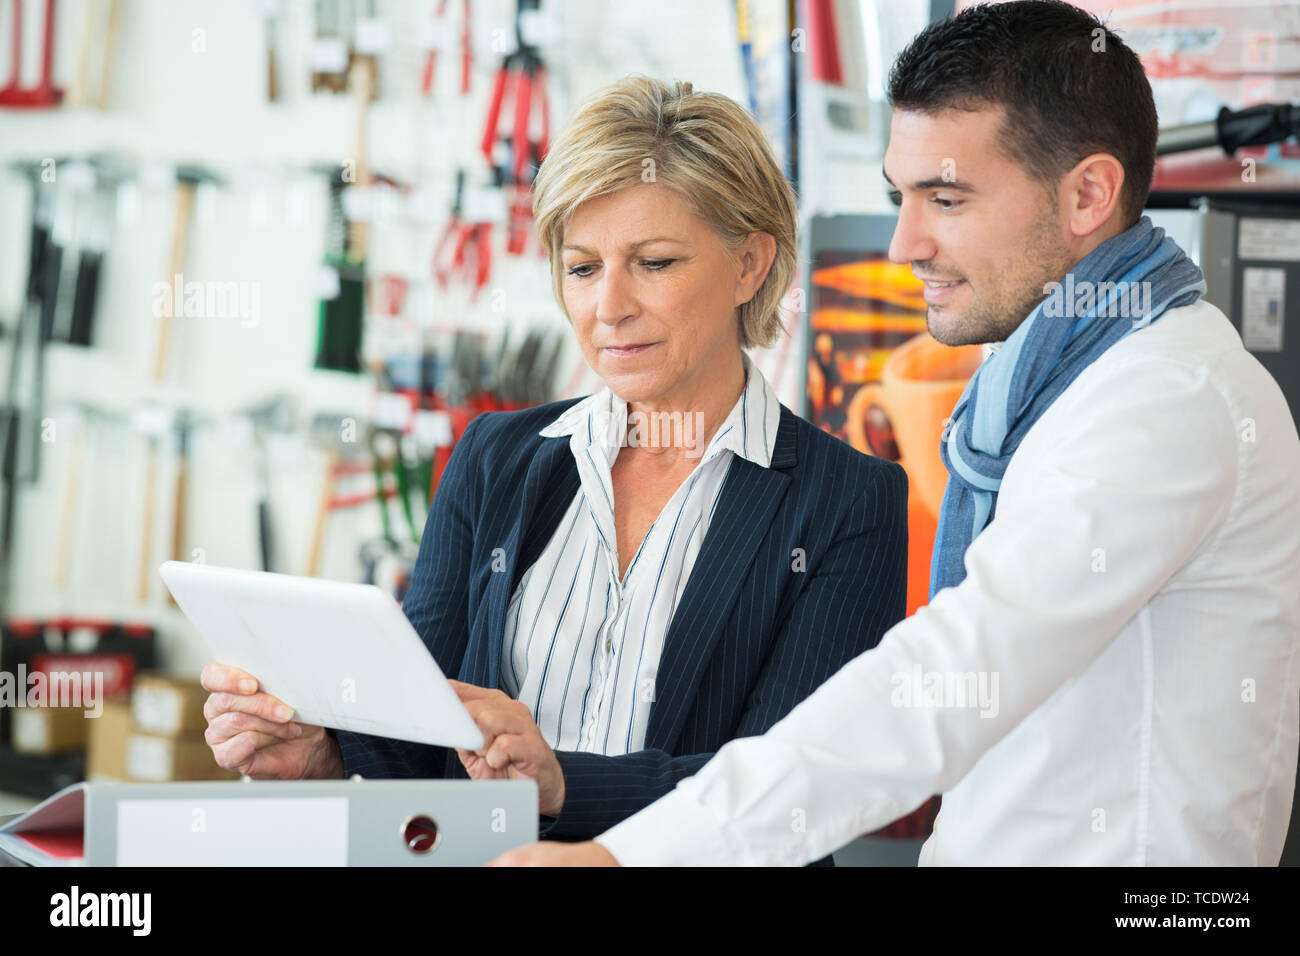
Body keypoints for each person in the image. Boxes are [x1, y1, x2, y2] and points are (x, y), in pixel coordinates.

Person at [490, 0, 1300, 866]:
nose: (906, 241)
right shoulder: (1052, 381)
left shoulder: (1163, 400)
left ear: (1087, 195)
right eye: (900, 196)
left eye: (945, 198)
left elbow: (942, 683)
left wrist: (630, 856)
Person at [199, 76, 909, 846]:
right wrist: (325, 752)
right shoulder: (496, 458)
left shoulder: (847, 502)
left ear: (750, 265)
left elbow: (792, 793)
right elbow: (423, 729)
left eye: (655, 262)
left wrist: (561, 782)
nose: (609, 307)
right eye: (581, 268)